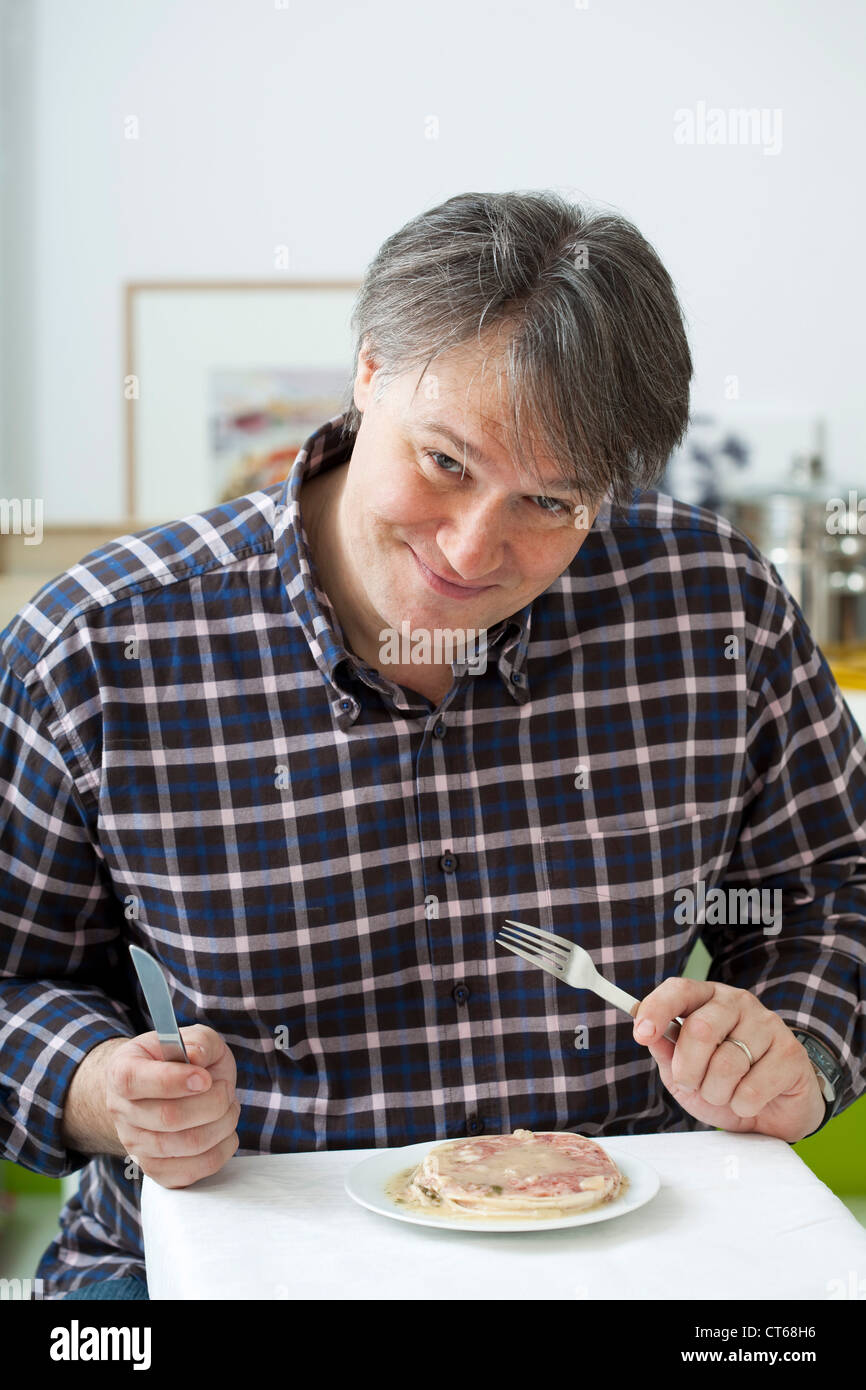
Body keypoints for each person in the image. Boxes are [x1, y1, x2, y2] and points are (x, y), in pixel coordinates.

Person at [1, 191, 863, 1300]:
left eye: (548, 503)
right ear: (369, 369)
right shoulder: (95, 646)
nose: (469, 550)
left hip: (614, 1250)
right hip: (219, 1253)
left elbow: (829, 891)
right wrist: (102, 1086)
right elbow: (17, 976)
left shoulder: (714, 610)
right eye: (447, 462)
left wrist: (795, 1041)